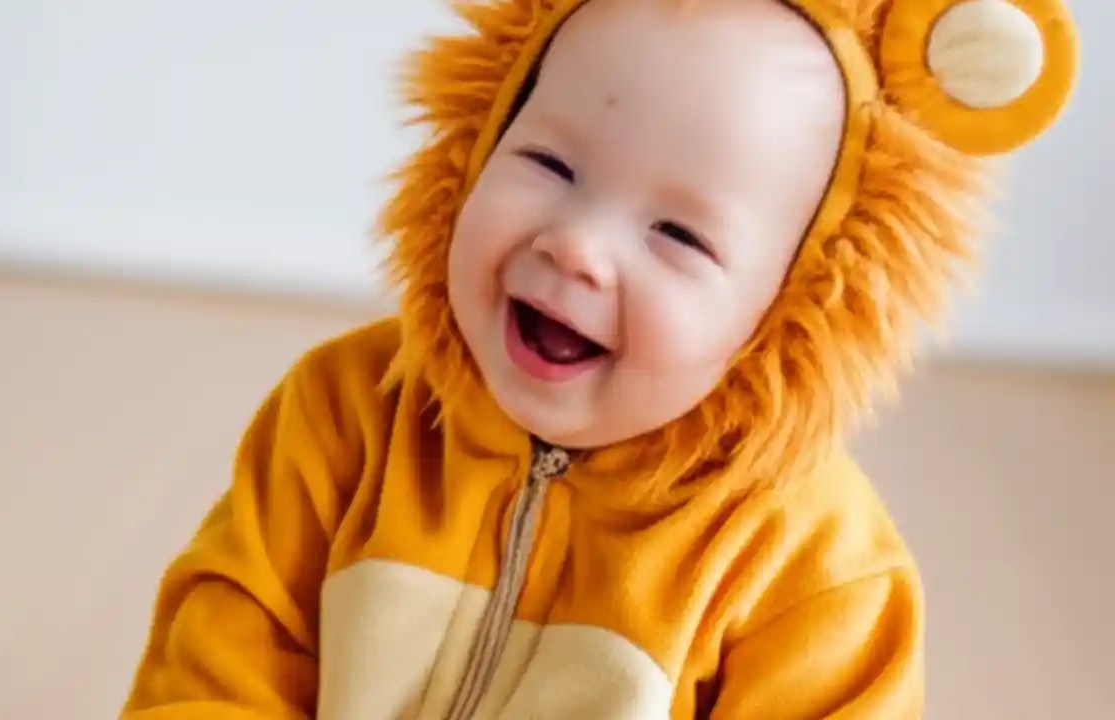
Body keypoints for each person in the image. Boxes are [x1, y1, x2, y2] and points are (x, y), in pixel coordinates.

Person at [121, 0, 1078, 717]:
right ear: (475, 145)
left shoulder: (815, 571)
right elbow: (219, 662)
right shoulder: (342, 414)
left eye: (678, 234)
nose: (577, 246)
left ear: (790, 310)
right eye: (550, 165)